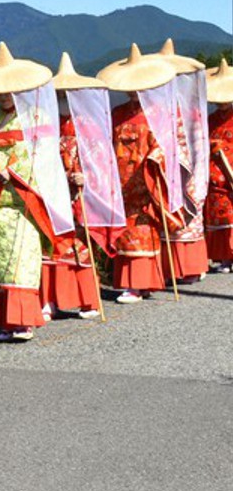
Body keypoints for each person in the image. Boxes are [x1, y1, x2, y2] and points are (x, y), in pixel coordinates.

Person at [0, 43, 74, 341]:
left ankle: (24, 322)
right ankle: (6, 323)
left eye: (8, 90)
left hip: (24, 198)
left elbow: (39, 155)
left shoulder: (37, 117)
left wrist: (10, 171)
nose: (2, 96)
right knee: (0, 263)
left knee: (21, 261)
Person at [97, 45, 183, 303]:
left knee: (143, 228)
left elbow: (169, 144)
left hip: (145, 178)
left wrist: (156, 159)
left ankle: (142, 283)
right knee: (125, 228)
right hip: (120, 179)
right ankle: (129, 282)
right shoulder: (117, 113)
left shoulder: (159, 113)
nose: (132, 91)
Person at [40, 54, 104, 320]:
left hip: (77, 193)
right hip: (52, 190)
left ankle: (87, 300)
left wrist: (86, 177)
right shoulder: (45, 124)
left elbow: (101, 159)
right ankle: (49, 300)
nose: (63, 96)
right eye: (58, 92)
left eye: (67, 91)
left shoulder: (88, 125)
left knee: (78, 245)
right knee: (50, 243)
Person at [150, 40, 210, 284]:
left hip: (187, 162)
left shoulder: (190, 111)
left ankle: (192, 266)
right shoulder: (156, 110)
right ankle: (167, 269)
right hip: (165, 165)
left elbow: (197, 138)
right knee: (165, 208)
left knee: (189, 206)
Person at [205, 58, 233, 272]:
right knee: (220, 214)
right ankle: (224, 256)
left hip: (230, 168)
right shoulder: (211, 119)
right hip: (215, 173)